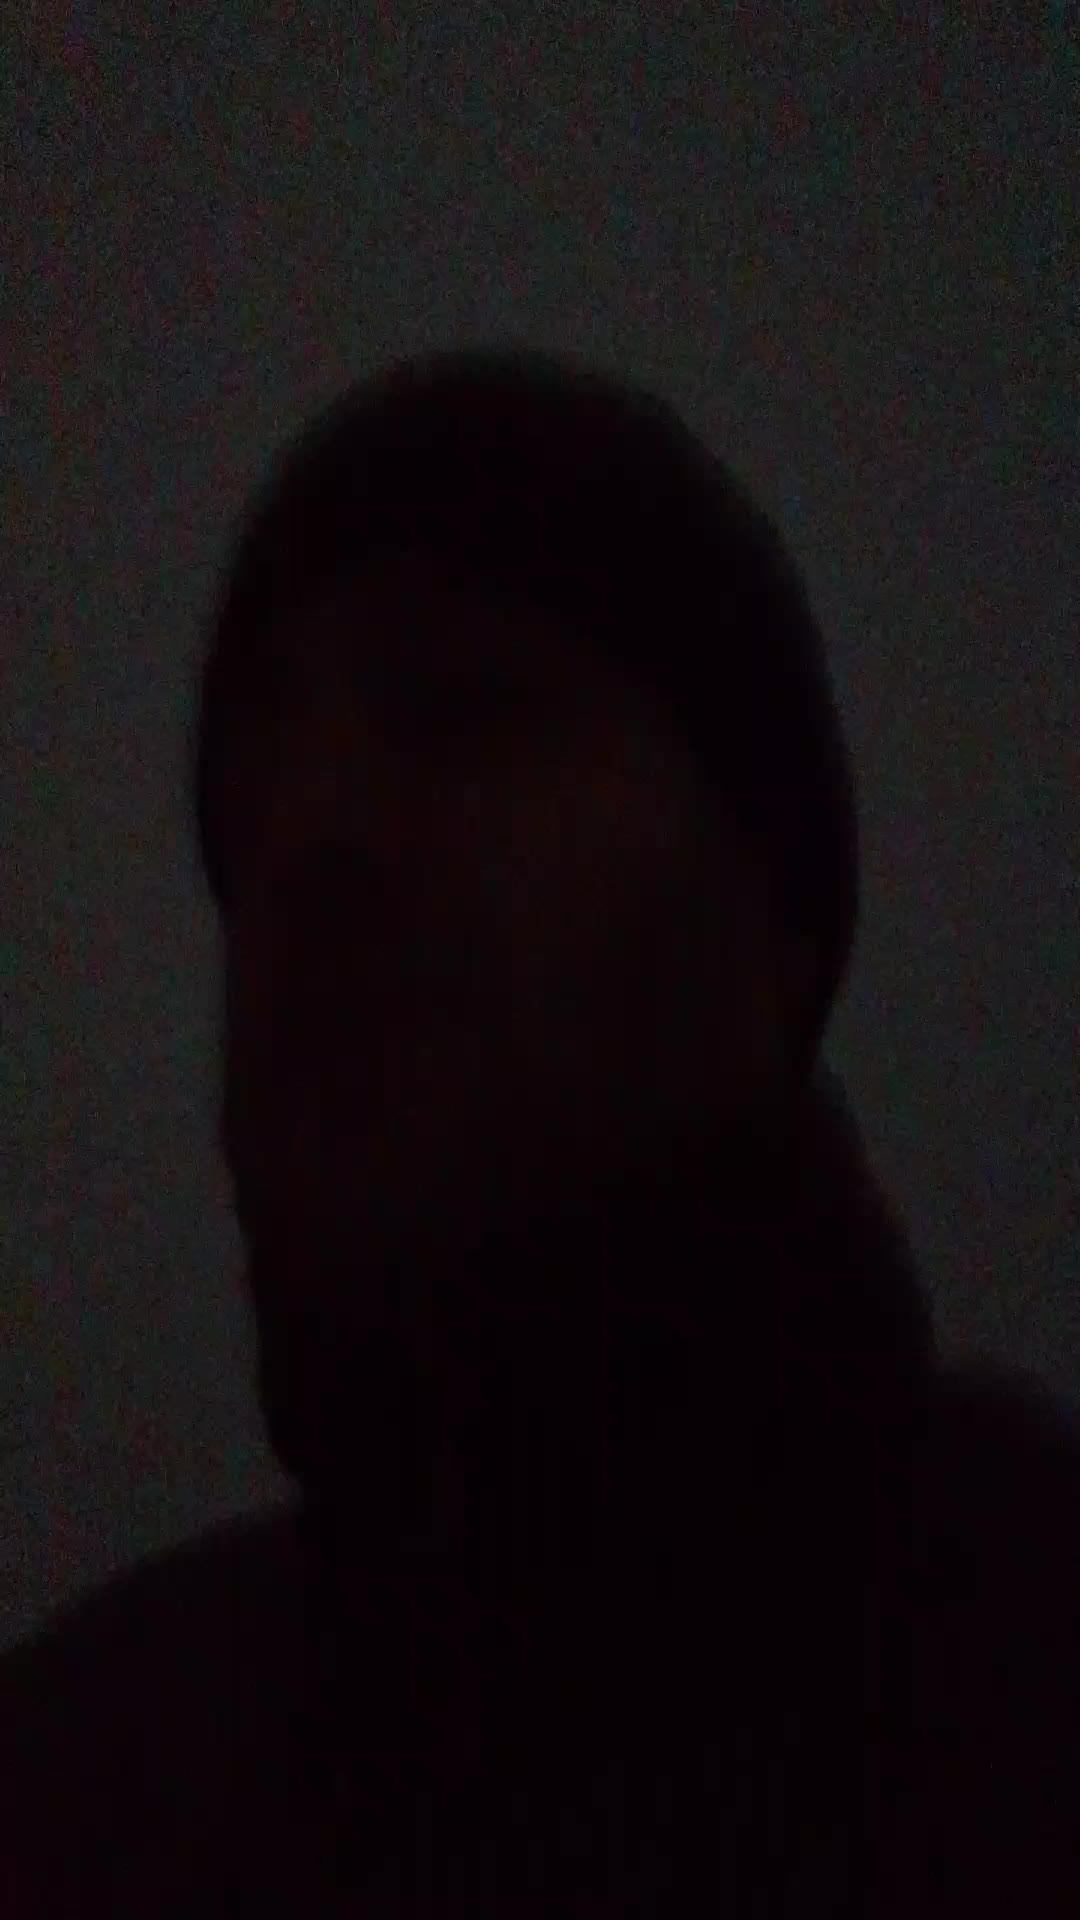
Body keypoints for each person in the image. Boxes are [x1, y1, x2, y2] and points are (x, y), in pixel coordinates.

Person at [3, 346, 1077, 1916]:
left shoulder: (1034, 1680)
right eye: (249, 806)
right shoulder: (75, 1795)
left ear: (778, 916)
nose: (309, 842)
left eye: (467, 710)